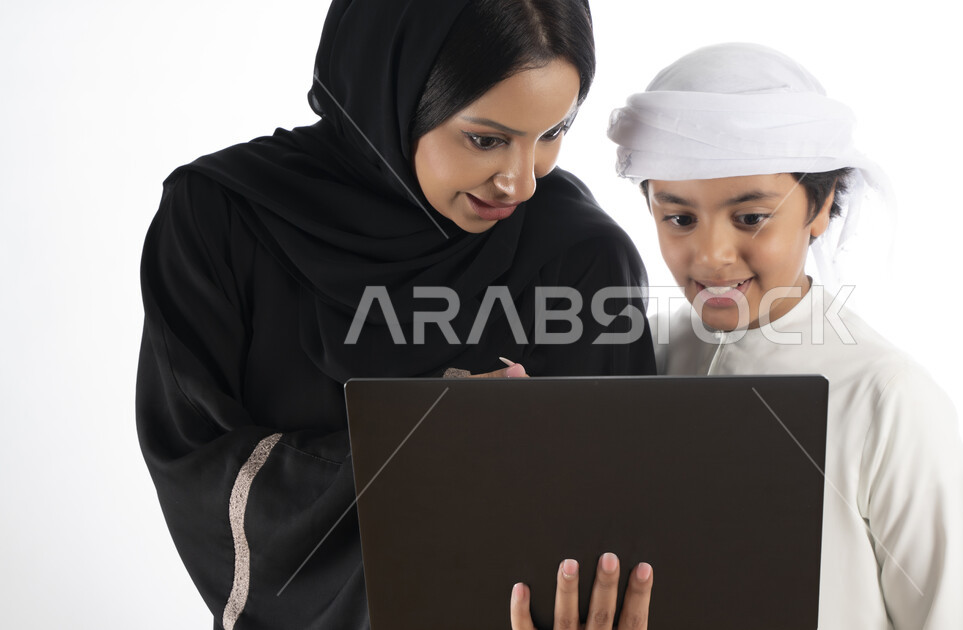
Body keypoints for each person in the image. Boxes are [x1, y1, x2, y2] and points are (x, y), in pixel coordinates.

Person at [136, 1, 656, 628]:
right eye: (486, 139)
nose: (521, 183)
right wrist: (422, 443)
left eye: (552, 132)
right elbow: (197, 466)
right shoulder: (220, 221)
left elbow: (611, 520)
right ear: (390, 88)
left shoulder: (579, 258)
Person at [608, 43, 963, 628]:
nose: (711, 254)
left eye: (751, 217)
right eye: (679, 218)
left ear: (821, 204)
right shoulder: (636, 360)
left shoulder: (887, 397)